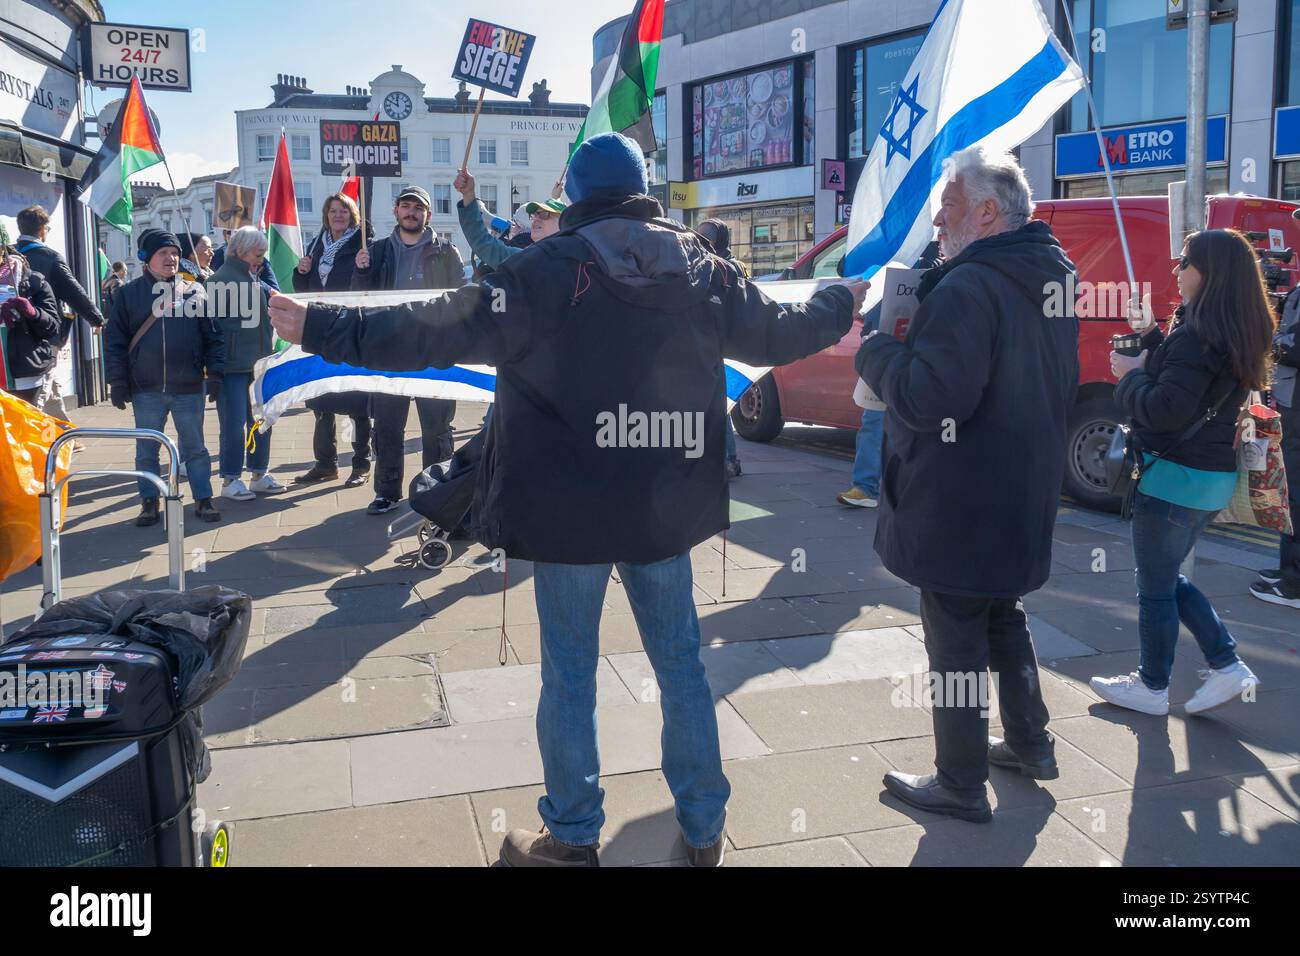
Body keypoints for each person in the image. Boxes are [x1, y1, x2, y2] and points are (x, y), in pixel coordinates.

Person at [269, 132, 867, 867]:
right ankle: (704, 828)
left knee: (570, 672)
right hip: (664, 506)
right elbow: (782, 332)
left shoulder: (542, 270)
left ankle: (575, 835)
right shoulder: (702, 267)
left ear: (578, 195)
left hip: (569, 507)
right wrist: (841, 299)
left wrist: (325, 325)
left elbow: (431, 329)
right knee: (681, 664)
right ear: (643, 188)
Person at [856, 146, 1079, 823]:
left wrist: (878, 347)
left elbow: (930, 399)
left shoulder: (970, 285)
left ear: (986, 211)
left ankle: (959, 780)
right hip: (1019, 486)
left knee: (955, 634)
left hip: (959, 497)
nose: (937, 219)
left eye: (947, 205)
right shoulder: (1050, 271)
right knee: (1002, 614)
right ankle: (1030, 744)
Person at [1090, 228, 1273, 715]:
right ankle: (1227, 664)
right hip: (1209, 481)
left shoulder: (1197, 335)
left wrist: (1128, 377)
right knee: (1167, 576)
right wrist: (1153, 337)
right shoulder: (1231, 328)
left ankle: (1151, 687)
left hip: (1173, 479)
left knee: (1153, 588)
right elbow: (1192, 387)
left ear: (1209, 273)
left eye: (1185, 262)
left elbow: (1165, 408)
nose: (1177, 270)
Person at [351, 184, 465, 515]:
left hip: (433, 356)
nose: (411, 212)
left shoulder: (446, 251)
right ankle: (387, 492)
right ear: (396, 211)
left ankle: (438, 491)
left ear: (427, 214)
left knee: (437, 429)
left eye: (418, 207)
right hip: (389, 354)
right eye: (406, 206)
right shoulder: (378, 250)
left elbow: (460, 299)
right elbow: (361, 299)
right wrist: (361, 271)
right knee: (387, 427)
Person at [103, 230, 223, 525]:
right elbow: (114, 342)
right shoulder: (128, 294)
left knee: (195, 448)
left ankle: (203, 499)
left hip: (189, 386)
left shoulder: (195, 290)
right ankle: (148, 502)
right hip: (146, 389)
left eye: (174, 253)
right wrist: (117, 382)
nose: (171, 258)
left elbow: (212, 336)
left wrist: (216, 372)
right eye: (163, 253)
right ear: (146, 258)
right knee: (146, 451)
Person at [838, 240, 943, 509]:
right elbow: (847, 268)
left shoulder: (930, 251)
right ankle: (866, 487)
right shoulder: (887, 246)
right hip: (881, 344)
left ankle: (875, 487)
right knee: (874, 419)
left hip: (910, 349)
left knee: (900, 423)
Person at [293, 191, 373, 488]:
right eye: (332, 211)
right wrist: (301, 273)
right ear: (326, 216)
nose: (337, 215)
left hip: (349, 329)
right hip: (320, 328)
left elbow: (368, 284)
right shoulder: (317, 245)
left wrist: (364, 266)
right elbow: (305, 289)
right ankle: (325, 463)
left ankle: (360, 463)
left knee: (355, 400)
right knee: (321, 400)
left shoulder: (362, 244)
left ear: (352, 215)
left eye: (343, 210)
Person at [207, 226, 284, 501]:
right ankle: (231, 478)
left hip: (256, 363)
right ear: (240, 250)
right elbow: (210, 328)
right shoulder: (219, 281)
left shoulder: (253, 279)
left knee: (259, 421)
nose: (261, 259)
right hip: (232, 366)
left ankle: (257, 473)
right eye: (258, 253)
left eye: (262, 254)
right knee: (235, 424)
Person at [15, 205, 105, 420]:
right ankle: (41, 436)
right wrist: (96, 318)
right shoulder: (49, 257)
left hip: (16, 333)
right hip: (44, 331)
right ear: (43, 229)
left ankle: (63, 431)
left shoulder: (10, 255)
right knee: (43, 385)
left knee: (50, 380)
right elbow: (73, 292)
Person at [1252, 208, 1300, 610]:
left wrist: (1270, 339)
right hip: (1290, 398)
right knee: (1290, 489)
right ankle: (1288, 568)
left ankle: (1295, 581)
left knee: (1297, 491)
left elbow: (1294, 346)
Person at [695, 218, 746, 479]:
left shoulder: (730, 267)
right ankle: (723, 458)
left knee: (720, 404)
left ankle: (728, 458)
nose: (705, 240)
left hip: (723, 345)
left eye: (709, 236)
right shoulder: (703, 264)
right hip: (710, 343)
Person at [454, 168, 564, 268]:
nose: (536, 219)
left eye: (545, 214)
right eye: (535, 215)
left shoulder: (574, 260)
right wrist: (468, 194)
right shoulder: (525, 259)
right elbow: (485, 245)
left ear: (563, 224)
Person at [0, 246, 62, 405]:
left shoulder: (33, 282)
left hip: (25, 376)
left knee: (22, 428)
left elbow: (52, 328)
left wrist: (33, 312)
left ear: (2, 250)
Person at [212, 230, 280, 291]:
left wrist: (252, 279)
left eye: (239, 232)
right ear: (224, 235)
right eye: (230, 232)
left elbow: (274, 293)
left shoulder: (260, 260)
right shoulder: (216, 256)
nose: (234, 236)